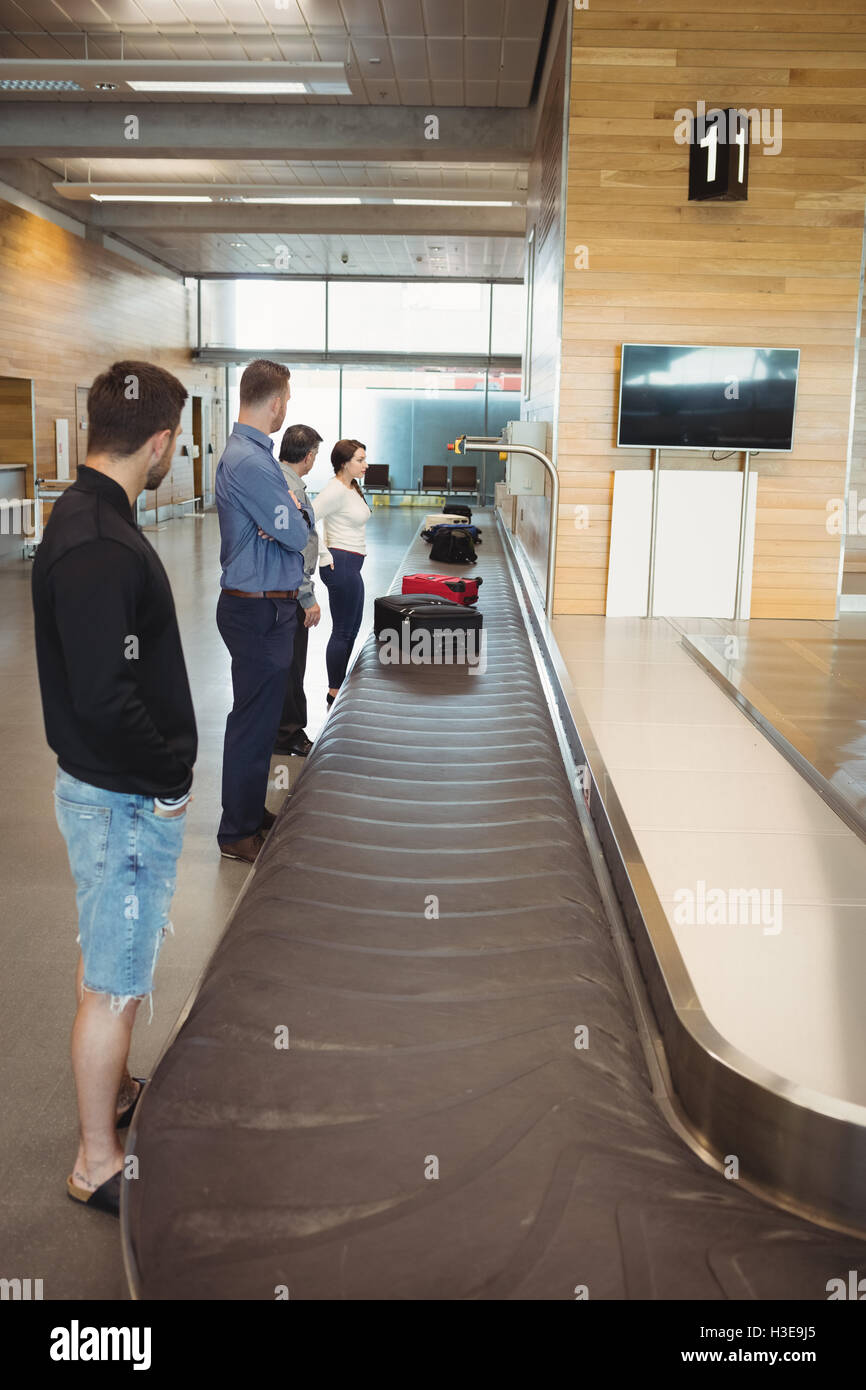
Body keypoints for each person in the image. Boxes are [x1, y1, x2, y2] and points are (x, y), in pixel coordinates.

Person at [31, 360, 196, 1218]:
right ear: (160, 442)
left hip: (109, 793)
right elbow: (102, 695)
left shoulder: (90, 515)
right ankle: (97, 1160)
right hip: (121, 799)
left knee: (109, 961)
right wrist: (169, 775)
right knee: (116, 983)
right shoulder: (98, 542)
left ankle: (118, 1087)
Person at [214, 359, 311, 862]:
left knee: (263, 718)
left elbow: (296, 523)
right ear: (274, 403)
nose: (285, 411)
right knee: (252, 723)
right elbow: (298, 533)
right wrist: (291, 521)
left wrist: (292, 519)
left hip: (267, 609)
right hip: (256, 613)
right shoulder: (251, 463)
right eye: (287, 403)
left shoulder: (256, 457)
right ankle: (236, 831)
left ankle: (251, 813)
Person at [273, 424, 323, 757]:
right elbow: (298, 547)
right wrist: (308, 598)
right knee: (292, 666)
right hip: (290, 593)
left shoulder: (272, 479)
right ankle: (289, 734)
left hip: (275, 590)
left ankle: (285, 730)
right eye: (315, 454)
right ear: (308, 457)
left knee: (285, 665)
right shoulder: (291, 490)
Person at [314, 439, 371, 707]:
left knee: (352, 628)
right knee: (342, 630)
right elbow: (306, 518)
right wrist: (324, 555)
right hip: (341, 564)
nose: (365, 465)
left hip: (351, 564)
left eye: (364, 459)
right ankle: (333, 691)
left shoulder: (352, 487)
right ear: (343, 463)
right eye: (360, 460)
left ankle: (340, 684)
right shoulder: (334, 490)